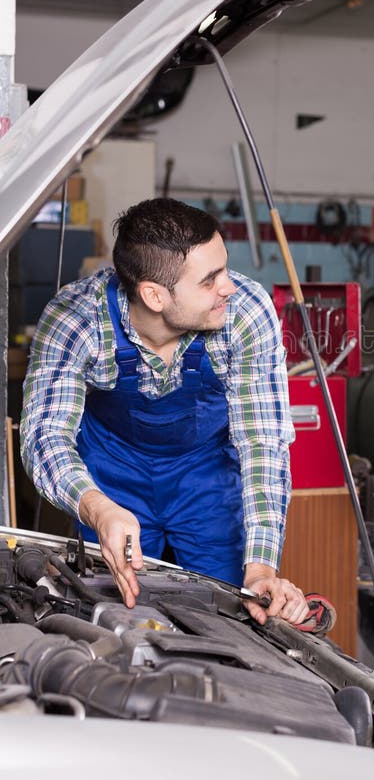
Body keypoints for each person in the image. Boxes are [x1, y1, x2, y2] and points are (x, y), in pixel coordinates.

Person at [21, 197, 308, 627]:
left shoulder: (244, 312)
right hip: (111, 476)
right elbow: (45, 435)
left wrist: (262, 567)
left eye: (224, 269)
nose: (229, 286)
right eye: (210, 280)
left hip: (205, 475)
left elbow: (263, 442)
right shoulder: (78, 318)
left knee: (227, 615)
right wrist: (99, 510)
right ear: (154, 295)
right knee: (115, 617)